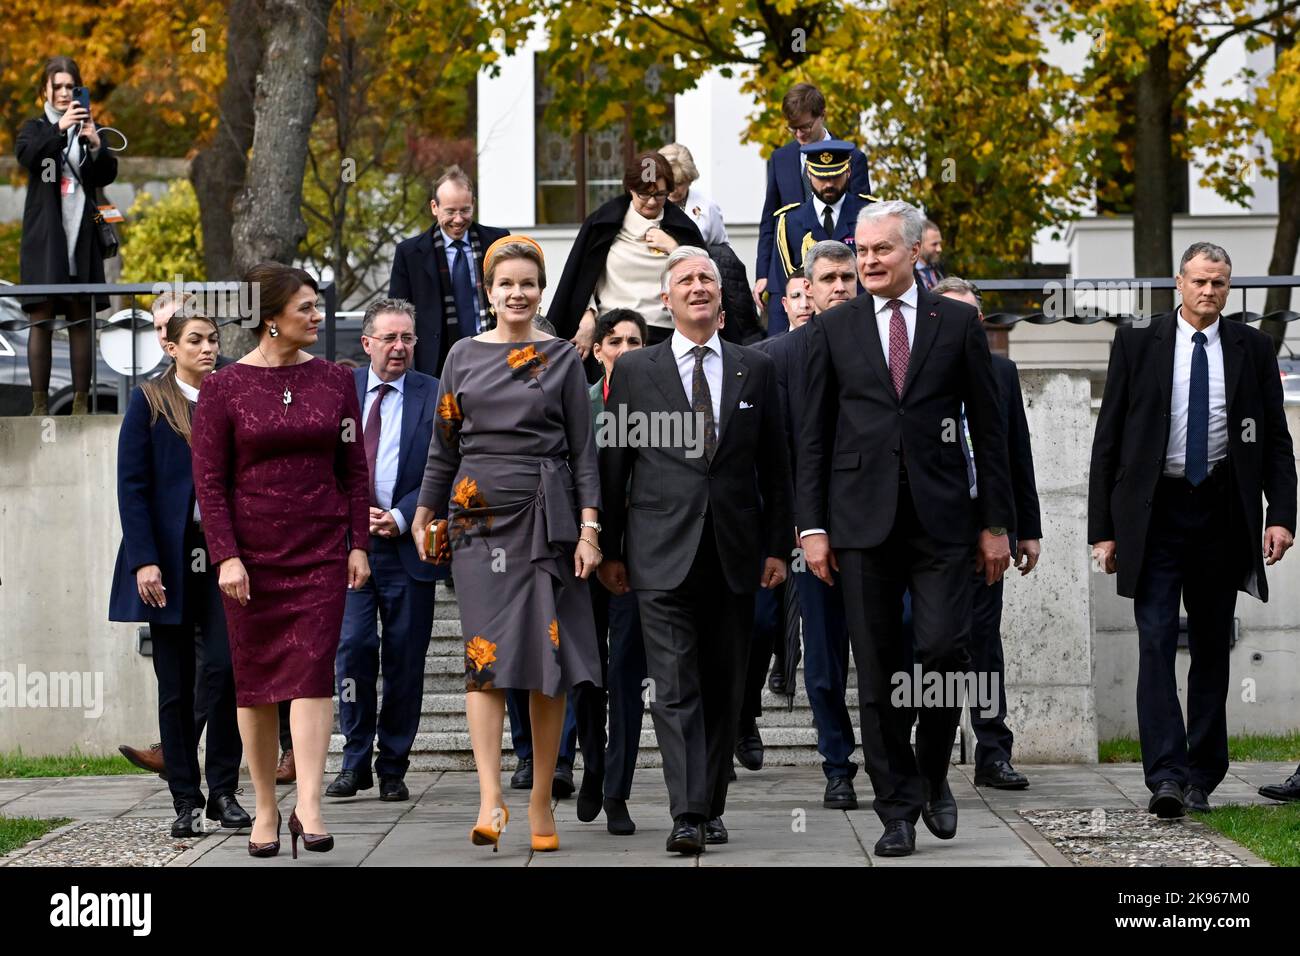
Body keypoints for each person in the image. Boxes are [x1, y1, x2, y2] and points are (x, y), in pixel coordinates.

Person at [798, 201, 1014, 857]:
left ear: (915, 251)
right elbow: (812, 435)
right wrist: (812, 526)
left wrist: (997, 523)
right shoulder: (834, 328)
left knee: (946, 650)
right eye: (861, 251)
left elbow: (990, 427)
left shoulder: (956, 323)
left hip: (943, 521)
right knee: (880, 668)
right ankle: (896, 809)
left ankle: (931, 772)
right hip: (860, 524)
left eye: (881, 250)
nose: (867, 261)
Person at [1089, 242, 1296, 817]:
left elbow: (1275, 437)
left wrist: (1280, 514)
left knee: (1211, 644)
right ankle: (1166, 776)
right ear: (1179, 283)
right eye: (1201, 281)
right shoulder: (1137, 341)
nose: (1209, 292)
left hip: (1221, 512)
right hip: (1155, 513)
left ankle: (1203, 772)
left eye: (1221, 283)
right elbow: (1108, 440)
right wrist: (1104, 531)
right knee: (1154, 640)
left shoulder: (1252, 347)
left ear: (1230, 289)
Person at [411, 235, 603, 853]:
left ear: (540, 291)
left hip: (548, 520)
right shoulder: (462, 355)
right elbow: (443, 444)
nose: (517, 293)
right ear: (488, 292)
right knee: (486, 662)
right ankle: (491, 796)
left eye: (528, 283)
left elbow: (584, 452)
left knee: (547, 667)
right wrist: (422, 513)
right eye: (506, 284)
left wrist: (591, 530)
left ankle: (542, 795)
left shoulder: (564, 358)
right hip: (475, 520)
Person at [598, 246, 792, 854]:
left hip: (734, 552)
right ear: (667, 298)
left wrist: (777, 546)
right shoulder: (635, 370)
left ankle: (709, 804)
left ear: (721, 295)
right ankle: (686, 813)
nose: (698, 286)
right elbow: (613, 465)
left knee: (725, 684)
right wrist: (606, 546)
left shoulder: (755, 368)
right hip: (658, 552)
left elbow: (776, 468)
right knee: (675, 685)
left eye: (707, 277)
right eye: (685, 279)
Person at [191, 262, 372, 858]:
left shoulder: (336, 381)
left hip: (320, 550)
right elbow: (210, 483)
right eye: (306, 309)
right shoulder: (222, 388)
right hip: (251, 557)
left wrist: (357, 544)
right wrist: (226, 557)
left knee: (315, 671)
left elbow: (354, 470)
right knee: (256, 683)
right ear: (271, 318)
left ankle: (311, 803)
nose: (318, 317)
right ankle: (266, 807)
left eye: (318, 307)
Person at [108, 308, 247, 837]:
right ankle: (186, 801)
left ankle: (225, 791)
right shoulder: (148, 401)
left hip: (223, 553)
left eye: (213, 339)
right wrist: (144, 558)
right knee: (174, 682)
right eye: (196, 340)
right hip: (166, 556)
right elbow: (132, 487)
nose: (208, 348)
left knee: (225, 669)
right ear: (170, 347)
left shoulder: (229, 394)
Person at [751, 240, 860, 810]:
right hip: (808, 533)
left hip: (879, 532)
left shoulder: (884, 346)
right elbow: (776, 453)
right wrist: (795, 528)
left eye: (848, 278)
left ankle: (897, 760)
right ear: (807, 291)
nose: (840, 288)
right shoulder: (775, 358)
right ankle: (837, 765)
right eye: (828, 280)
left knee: (897, 649)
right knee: (821, 659)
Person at [326, 299, 447, 802]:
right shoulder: (340, 392)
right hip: (351, 549)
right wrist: (354, 518)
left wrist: (401, 515)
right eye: (390, 339)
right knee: (353, 649)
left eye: (408, 339)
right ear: (368, 342)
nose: (400, 348)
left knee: (404, 659)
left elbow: (447, 467)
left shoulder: (436, 394)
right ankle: (355, 762)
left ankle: (393, 764)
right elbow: (324, 465)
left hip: (410, 547)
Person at [931, 276, 1043, 790]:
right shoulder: (914, 374)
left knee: (984, 643)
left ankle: (992, 751)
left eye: (971, 318)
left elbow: (1015, 452)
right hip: (928, 535)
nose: (964, 328)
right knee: (930, 645)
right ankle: (926, 752)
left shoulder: (1001, 372)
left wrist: (1026, 529)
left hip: (986, 532)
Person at [15, 56, 119, 416]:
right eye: (56, 86)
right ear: (45, 89)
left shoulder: (88, 126)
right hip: (46, 242)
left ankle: (79, 404)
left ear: (78, 89)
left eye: (69, 86)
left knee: (80, 320)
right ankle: (39, 406)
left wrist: (93, 143)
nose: (62, 92)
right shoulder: (35, 128)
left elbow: (106, 173)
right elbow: (29, 156)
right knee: (41, 318)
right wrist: (60, 128)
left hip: (82, 238)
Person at [580, 309, 648, 834]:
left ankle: (618, 790)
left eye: (635, 341)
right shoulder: (578, 403)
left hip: (639, 562)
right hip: (584, 557)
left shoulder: (661, 405)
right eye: (616, 341)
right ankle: (592, 765)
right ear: (599, 349)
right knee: (587, 673)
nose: (624, 349)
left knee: (626, 673)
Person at [550, 151, 706, 356]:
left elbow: (703, 281)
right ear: (630, 189)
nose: (651, 202)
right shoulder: (602, 224)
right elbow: (583, 277)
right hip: (612, 331)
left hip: (664, 336)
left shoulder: (683, 230)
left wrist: (675, 249)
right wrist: (588, 315)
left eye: (660, 194)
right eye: (644, 194)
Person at [754, 83, 870, 320]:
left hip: (838, 277)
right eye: (792, 129)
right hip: (788, 271)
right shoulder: (781, 157)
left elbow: (862, 218)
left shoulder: (852, 157)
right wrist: (762, 273)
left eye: (806, 126)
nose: (799, 135)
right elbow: (770, 219)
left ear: (822, 116)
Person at [388, 165, 509, 376]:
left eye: (465, 210)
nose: (459, 219)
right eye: (450, 211)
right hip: (435, 362)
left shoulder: (497, 241)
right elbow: (397, 313)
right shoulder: (410, 253)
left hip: (494, 352)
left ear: (473, 204)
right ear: (434, 207)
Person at [766, 141, 874, 335]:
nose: (829, 184)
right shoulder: (789, 221)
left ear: (848, 171)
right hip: (810, 331)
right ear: (808, 174)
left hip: (861, 326)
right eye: (821, 177)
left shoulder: (869, 215)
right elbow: (784, 287)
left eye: (835, 176)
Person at [659, 143, 728, 246]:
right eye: (668, 183)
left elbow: (723, 252)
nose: (673, 190)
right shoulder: (647, 206)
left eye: (679, 183)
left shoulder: (708, 207)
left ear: (690, 180)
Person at [914, 220, 945, 290]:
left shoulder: (939, 269)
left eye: (940, 243)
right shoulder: (907, 274)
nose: (939, 249)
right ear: (919, 245)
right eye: (934, 244)